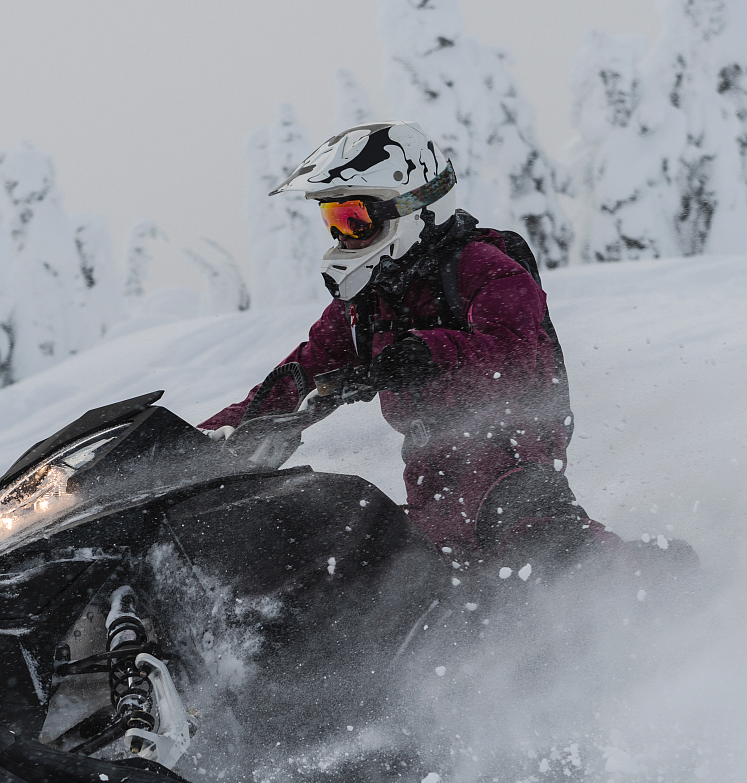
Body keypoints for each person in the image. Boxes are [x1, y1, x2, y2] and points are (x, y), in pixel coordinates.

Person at [201, 121, 694, 583]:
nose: (342, 236)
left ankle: (654, 582)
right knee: (394, 576)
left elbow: (515, 358)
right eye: (334, 220)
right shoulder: (367, 300)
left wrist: (430, 352)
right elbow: (301, 372)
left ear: (411, 207)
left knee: (546, 556)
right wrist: (204, 441)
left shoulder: (486, 269)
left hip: (513, 464)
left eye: (354, 219)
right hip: (432, 475)